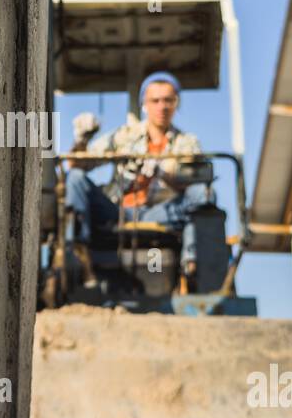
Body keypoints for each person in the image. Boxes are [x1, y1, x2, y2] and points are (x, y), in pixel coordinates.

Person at [65, 71, 208, 278]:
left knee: (202, 192)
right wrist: (81, 140)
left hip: (161, 212)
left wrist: (162, 172)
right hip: (117, 210)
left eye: (168, 100)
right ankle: (77, 253)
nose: (162, 107)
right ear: (144, 104)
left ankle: (191, 267)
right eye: (155, 101)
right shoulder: (124, 136)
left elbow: (197, 183)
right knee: (75, 178)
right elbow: (76, 164)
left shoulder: (187, 143)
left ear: (176, 103)